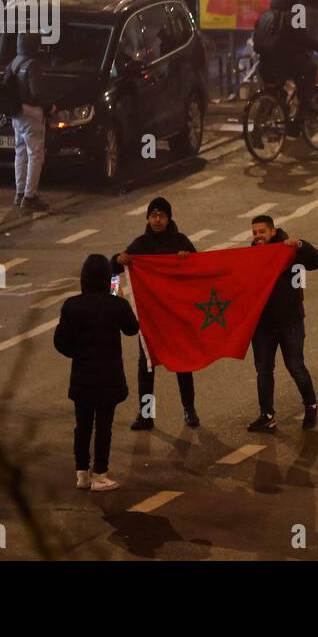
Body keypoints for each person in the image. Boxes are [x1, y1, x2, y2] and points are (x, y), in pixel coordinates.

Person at [111, 198, 201, 430]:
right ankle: (146, 415)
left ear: (169, 218)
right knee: (147, 368)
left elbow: (200, 269)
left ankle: (189, 411)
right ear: (148, 218)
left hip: (176, 318)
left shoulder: (180, 242)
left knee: (183, 366)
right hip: (151, 320)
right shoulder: (140, 245)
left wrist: (187, 260)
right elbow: (115, 269)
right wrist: (117, 259)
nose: (157, 220)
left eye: (161, 215)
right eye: (153, 215)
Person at [54, 253, 140, 492]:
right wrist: (118, 297)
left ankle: (81, 473)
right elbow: (132, 329)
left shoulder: (72, 305)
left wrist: (78, 353)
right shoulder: (116, 305)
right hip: (109, 374)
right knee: (104, 426)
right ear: (106, 279)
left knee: (82, 425)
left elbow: (60, 342)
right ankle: (100, 474)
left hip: (82, 374)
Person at [247, 214, 318, 433]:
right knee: (264, 371)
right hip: (262, 326)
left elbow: (317, 260)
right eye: (254, 232)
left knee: (296, 367)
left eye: (262, 232)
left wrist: (300, 245)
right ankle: (267, 416)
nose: (258, 236)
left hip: (290, 322)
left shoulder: (289, 251)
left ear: (272, 231)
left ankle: (311, 407)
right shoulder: (251, 256)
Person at [3, 35, 55, 211]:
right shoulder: (32, 66)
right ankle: (30, 196)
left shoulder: (14, 63)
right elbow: (37, 94)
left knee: (20, 152)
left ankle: (19, 193)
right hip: (31, 114)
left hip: (16, 113)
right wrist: (50, 106)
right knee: (35, 155)